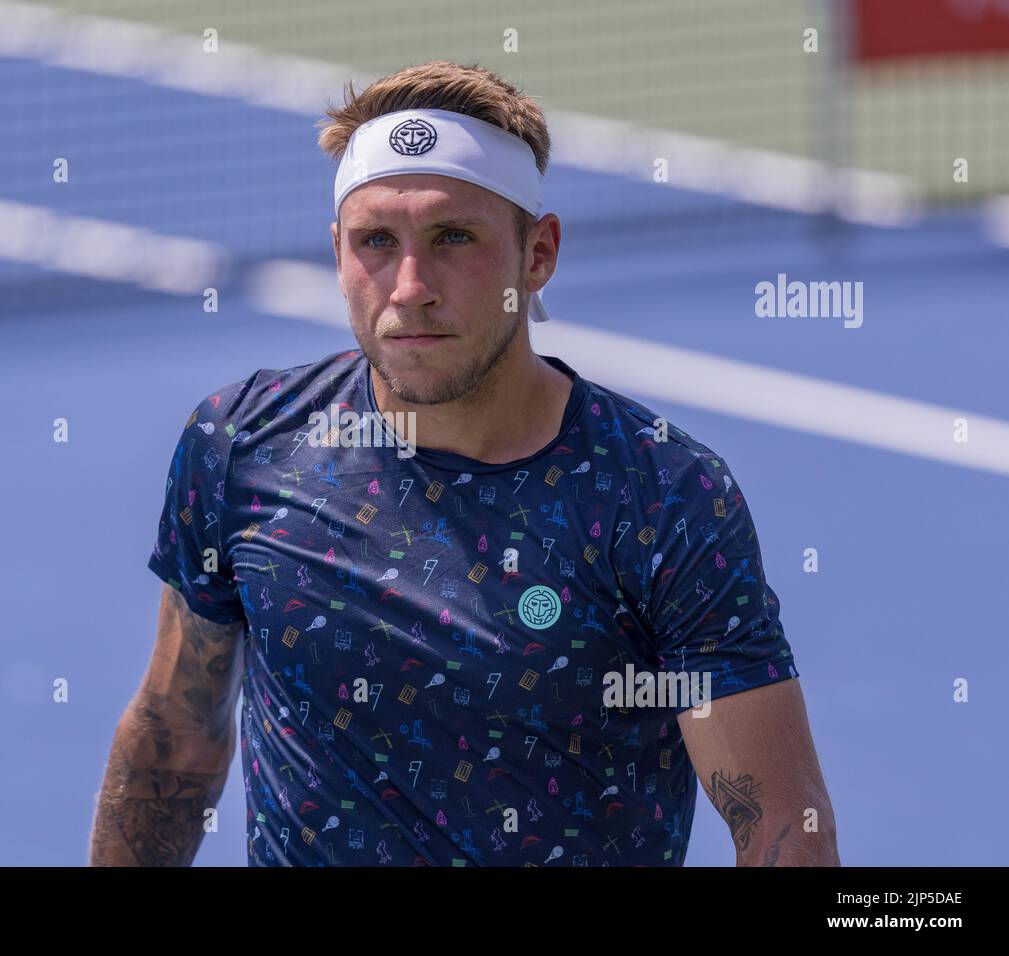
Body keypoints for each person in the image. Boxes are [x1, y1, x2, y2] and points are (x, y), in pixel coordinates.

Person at [91, 60, 838, 867]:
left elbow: (779, 823)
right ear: (338, 254)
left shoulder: (662, 497)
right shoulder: (243, 445)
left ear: (537, 254)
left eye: (454, 238)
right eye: (377, 241)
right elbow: (175, 736)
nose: (410, 287)